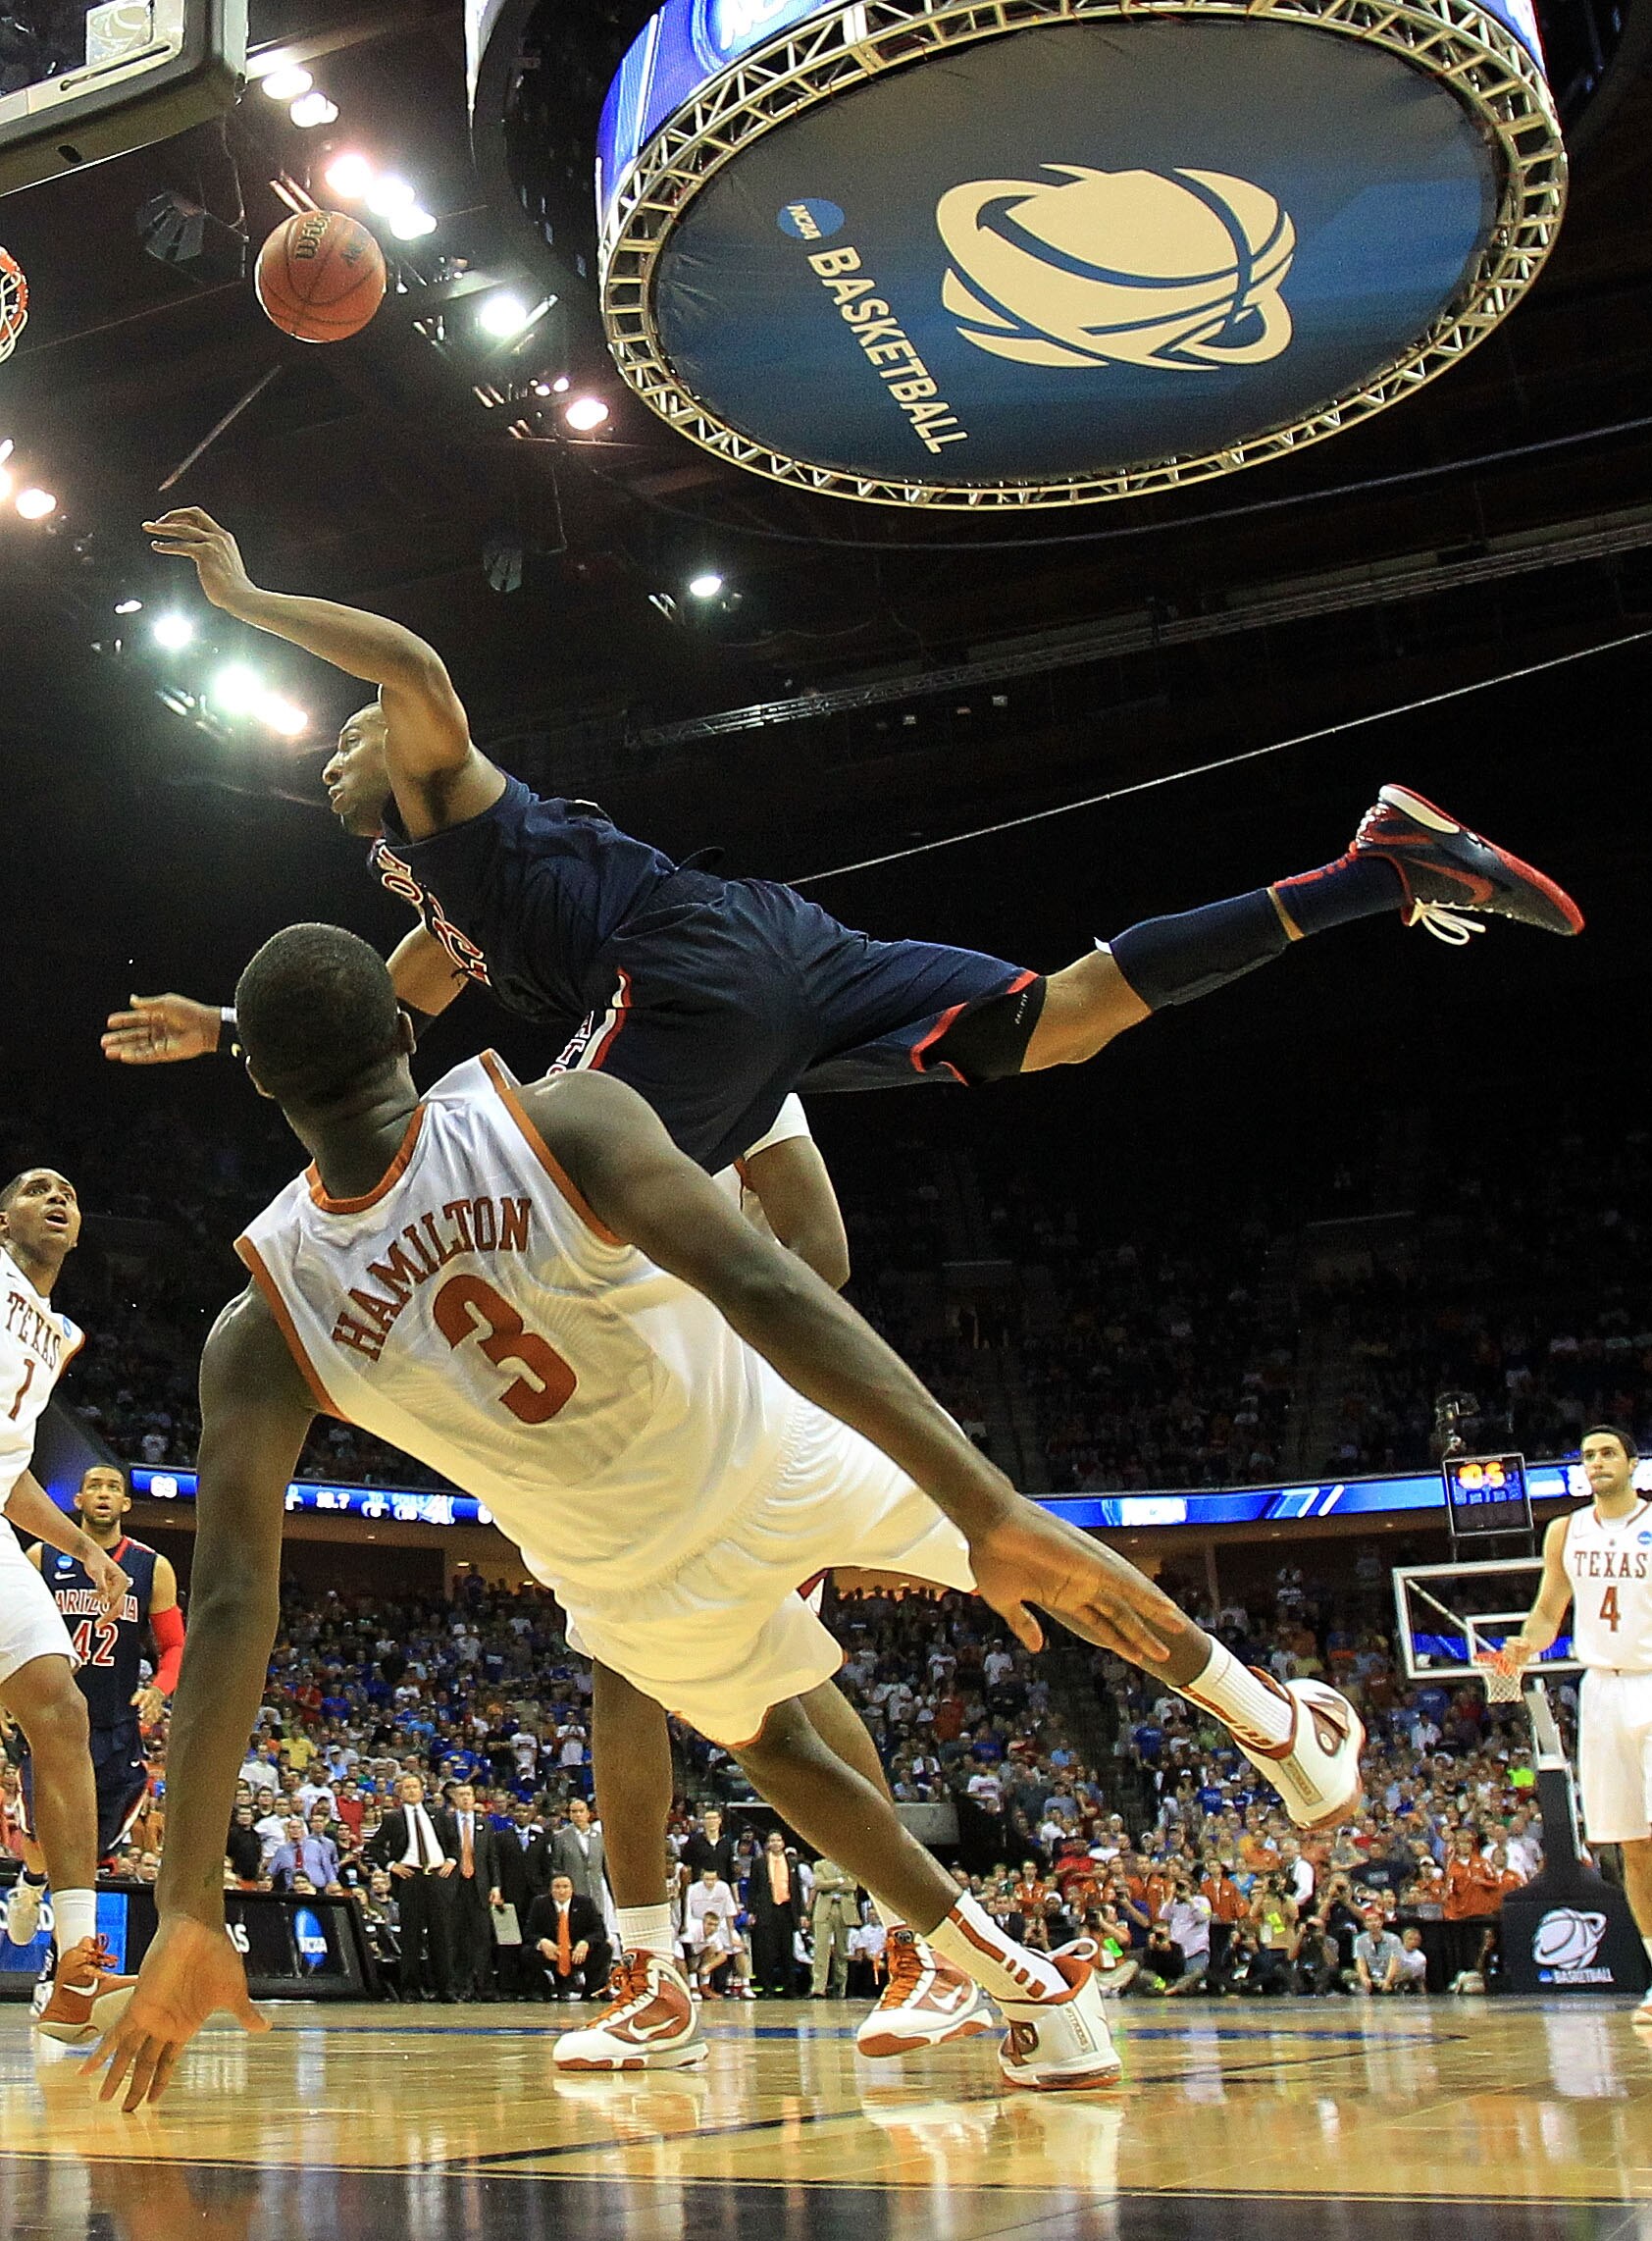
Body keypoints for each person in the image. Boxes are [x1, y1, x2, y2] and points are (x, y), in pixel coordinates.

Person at [84, 924, 1364, 2110]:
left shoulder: (259, 1327)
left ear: (261, 1084)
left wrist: (189, 1898)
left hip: (630, 1573)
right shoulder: (561, 1116)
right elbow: (772, 1280)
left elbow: (237, 1608)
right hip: (770, 1445)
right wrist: (982, 1497)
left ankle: (1016, 1985)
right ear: (406, 1029)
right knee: (1024, 1557)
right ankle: (1275, 1722)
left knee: (773, 1745)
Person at [0, 1167, 139, 2044]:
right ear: (1, 1216)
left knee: (62, 1707)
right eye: (36, 1189)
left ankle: (76, 1960)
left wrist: (84, 1546)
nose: (57, 1199)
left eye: (72, 1196)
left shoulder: (55, 1333)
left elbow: (10, 1468)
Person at [1490, 1425, 1652, 2024]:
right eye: (1588, 1455)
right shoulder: (1565, 1531)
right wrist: (1523, 1647)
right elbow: (1547, 1612)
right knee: (1633, 1846)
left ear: (1633, 1464)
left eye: (1609, 1452)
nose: (1598, 1462)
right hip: (1601, 1689)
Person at [14, 1465, 183, 1930]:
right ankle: (30, 1884)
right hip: (50, 1716)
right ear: (79, 1501)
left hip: (115, 1724)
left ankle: (63, 1961)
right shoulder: (42, 1558)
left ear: (126, 1504)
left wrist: (159, 1689)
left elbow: (174, 1646)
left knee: (88, 1849)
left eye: (114, 1488)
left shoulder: (151, 1567)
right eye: (94, 1487)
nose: (104, 1494)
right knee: (42, 1834)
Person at [366, 1775, 458, 2001]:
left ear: (422, 1790)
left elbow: (454, 1842)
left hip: (437, 1877)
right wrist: (391, 1866)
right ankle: (410, 1989)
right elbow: (374, 1846)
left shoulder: (439, 1815)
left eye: (415, 1787)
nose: (411, 1791)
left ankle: (445, 1989)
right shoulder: (393, 1818)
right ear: (399, 1793)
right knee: (411, 1936)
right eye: (406, 1788)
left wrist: (451, 1861)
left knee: (441, 1935)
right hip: (410, 1878)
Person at [448, 1781, 501, 2000]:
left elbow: (492, 1858)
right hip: (455, 1886)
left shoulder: (484, 1825)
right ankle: (462, 1986)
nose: (466, 1799)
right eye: (461, 1795)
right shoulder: (447, 1823)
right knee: (458, 1938)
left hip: (480, 1887)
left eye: (469, 1794)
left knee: (482, 1938)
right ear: (455, 1799)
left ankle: (484, 1986)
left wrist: (496, 1886)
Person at [526, 1871, 610, 2000]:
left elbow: (599, 1931)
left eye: (565, 1887)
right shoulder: (539, 1904)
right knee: (526, 1952)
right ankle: (543, 1991)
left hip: (577, 1953)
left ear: (572, 1889)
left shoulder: (585, 1903)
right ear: (551, 1889)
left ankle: (591, 1992)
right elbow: (529, 1932)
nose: (561, 1891)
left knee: (605, 1949)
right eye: (557, 1887)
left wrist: (586, 1943)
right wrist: (541, 1942)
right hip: (553, 1953)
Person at [747, 1829, 805, 1996]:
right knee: (767, 1951)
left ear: (783, 1843)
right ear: (768, 1844)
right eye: (772, 1840)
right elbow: (753, 1889)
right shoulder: (759, 1862)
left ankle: (790, 1987)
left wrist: (801, 1914)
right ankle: (767, 1987)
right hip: (767, 1909)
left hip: (786, 1909)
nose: (775, 1843)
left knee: (787, 1950)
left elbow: (797, 1890)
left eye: (778, 1840)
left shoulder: (792, 1863)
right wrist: (752, 1911)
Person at [809, 1854, 858, 1998]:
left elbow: (851, 1886)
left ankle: (840, 1987)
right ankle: (818, 1988)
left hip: (844, 1909)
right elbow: (819, 1885)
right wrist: (839, 1881)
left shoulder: (849, 1863)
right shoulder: (819, 1864)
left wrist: (830, 1885)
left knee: (842, 1951)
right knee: (820, 1949)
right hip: (824, 1910)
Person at [1352, 1907, 1407, 1995]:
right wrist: (1364, 1977)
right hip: (1372, 1974)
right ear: (1365, 1924)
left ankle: (1394, 1990)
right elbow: (1360, 1961)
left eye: (1376, 1920)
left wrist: (1388, 1980)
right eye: (1369, 1921)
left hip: (1389, 1974)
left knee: (1405, 1973)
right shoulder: (1359, 1940)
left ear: (1381, 1922)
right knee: (1348, 1975)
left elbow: (1394, 1961)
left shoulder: (1394, 1939)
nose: (1373, 1923)